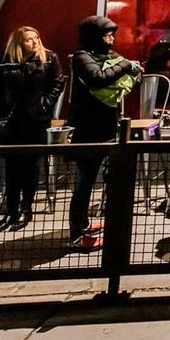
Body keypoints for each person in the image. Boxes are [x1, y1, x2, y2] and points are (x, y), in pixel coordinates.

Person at [68, 15, 141, 251]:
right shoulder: (82, 57)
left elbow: (129, 78)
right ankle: (76, 233)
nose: (112, 38)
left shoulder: (109, 57)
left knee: (108, 178)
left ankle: (87, 222)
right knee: (85, 181)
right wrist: (126, 65)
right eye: (107, 34)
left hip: (110, 127)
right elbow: (97, 79)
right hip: (88, 129)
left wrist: (132, 72)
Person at [0, 26, 63, 231]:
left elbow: (57, 84)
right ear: (18, 43)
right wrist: (1, 110)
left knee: (31, 165)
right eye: (28, 39)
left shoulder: (48, 59)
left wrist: (45, 104)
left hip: (36, 119)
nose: (33, 42)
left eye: (36, 38)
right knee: (11, 166)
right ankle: (11, 210)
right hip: (12, 119)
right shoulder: (4, 61)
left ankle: (26, 208)